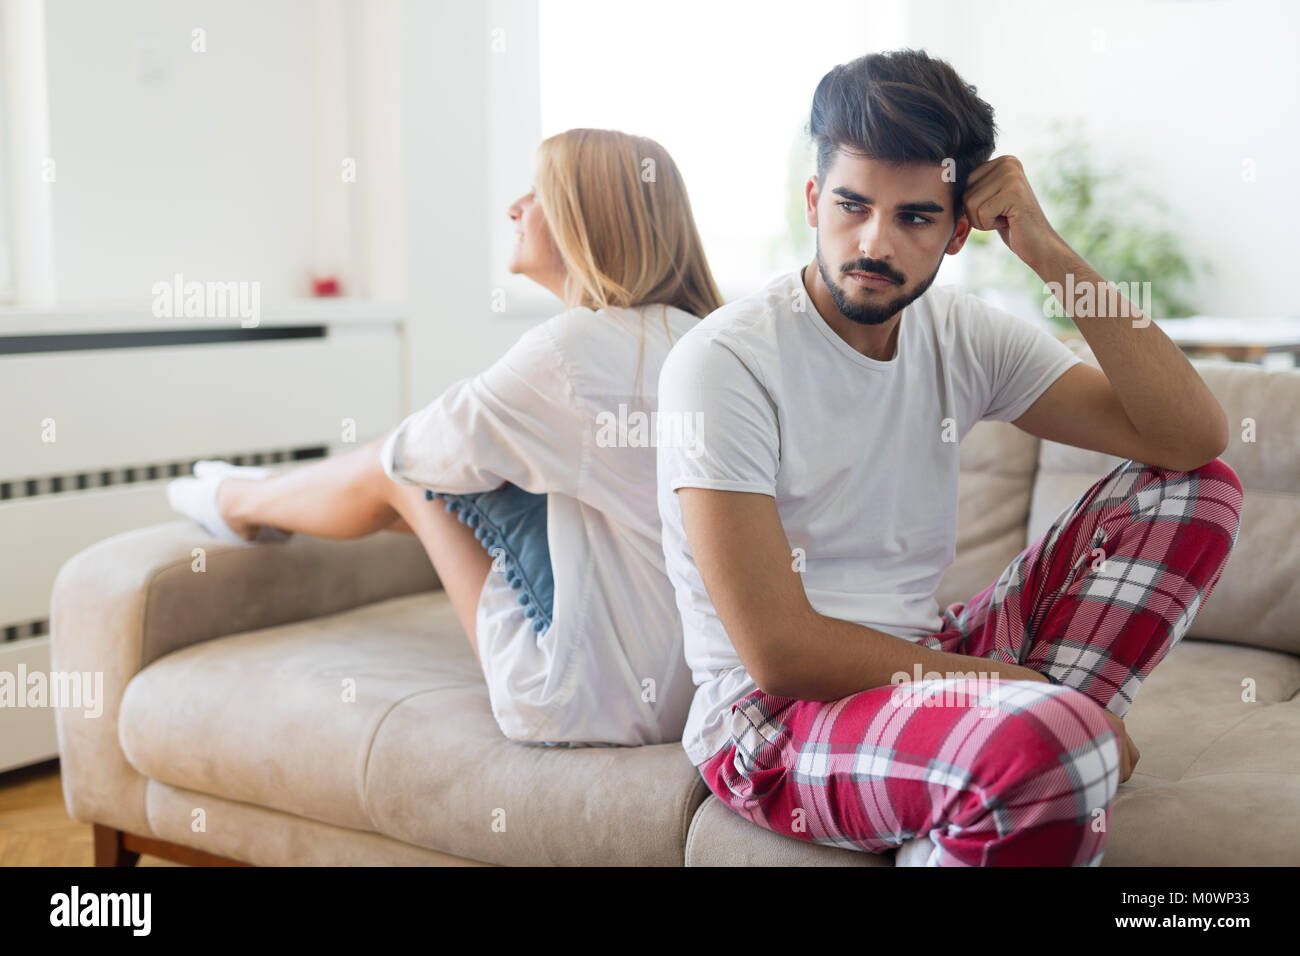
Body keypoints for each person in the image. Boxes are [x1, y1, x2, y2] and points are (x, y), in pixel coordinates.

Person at [655, 49, 1244, 865]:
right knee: (1057, 738)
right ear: (812, 200)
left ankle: (1023, 764)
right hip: (773, 721)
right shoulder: (725, 362)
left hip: (930, 655)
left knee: (1198, 494)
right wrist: (1030, 693)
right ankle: (1039, 755)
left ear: (960, 230)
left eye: (914, 217)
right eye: (851, 206)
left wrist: (1047, 250)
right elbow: (779, 652)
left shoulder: (962, 335)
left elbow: (1191, 439)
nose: (874, 241)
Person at [168, 128, 724, 747]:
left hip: (594, 702)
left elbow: (412, 456)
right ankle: (246, 497)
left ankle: (238, 501)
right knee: (481, 462)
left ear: (587, 219)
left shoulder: (574, 351)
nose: (516, 207)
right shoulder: (706, 343)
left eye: (537, 193)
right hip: (700, 694)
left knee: (400, 472)